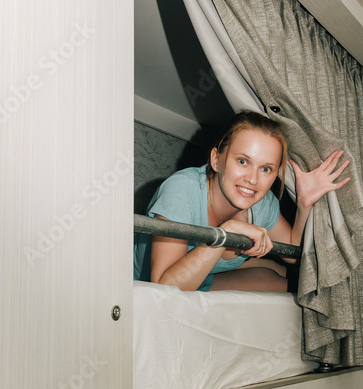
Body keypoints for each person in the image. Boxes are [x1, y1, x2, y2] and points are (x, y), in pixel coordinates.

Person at [133, 111, 350, 293]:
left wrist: (304, 204)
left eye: (266, 169)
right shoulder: (183, 190)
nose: (253, 179)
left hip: (203, 279)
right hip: (146, 282)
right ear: (216, 160)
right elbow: (164, 287)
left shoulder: (262, 203)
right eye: (243, 161)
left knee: (284, 281)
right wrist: (227, 232)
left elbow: (293, 255)